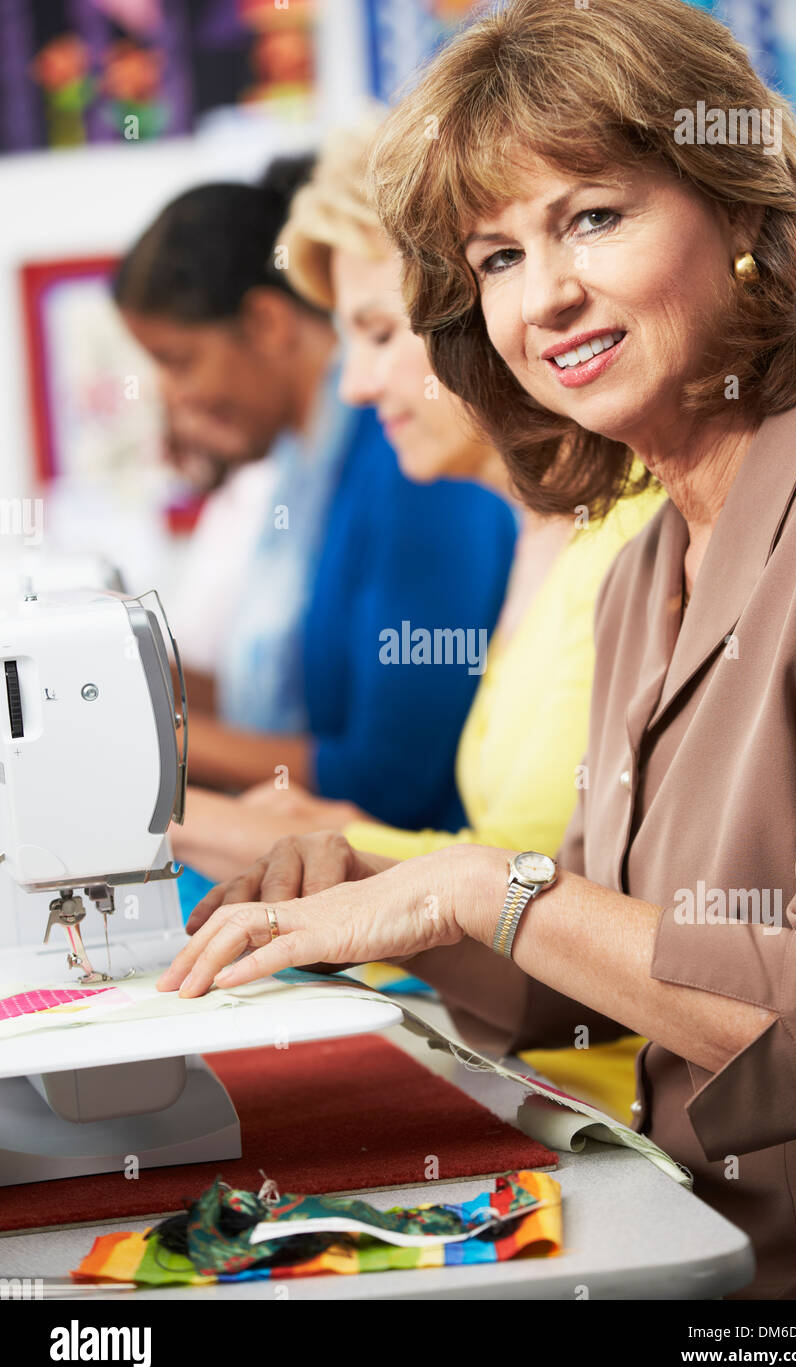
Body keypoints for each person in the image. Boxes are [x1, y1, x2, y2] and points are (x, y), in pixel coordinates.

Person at [155, 0, 796, 1299]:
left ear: (747, 218)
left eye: (592, 215)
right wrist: (375, 894)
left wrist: (487, 885)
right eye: (495, 256)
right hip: (694, 1245)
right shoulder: (648, 554)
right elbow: (602, 985)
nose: (543, 296)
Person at [171, 119, 664, 1121]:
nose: (354, 385)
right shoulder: (542, 541)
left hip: (618, 1104)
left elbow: (615, 921)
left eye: (380, 333)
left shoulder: (638, 541)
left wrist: (173, 812)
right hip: (529, 1067)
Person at [113, 160, 517, 844]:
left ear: (267, 323)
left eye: (179, 359)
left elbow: (389, 775)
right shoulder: (306, 467)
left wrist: (149, 744)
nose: (169, 397)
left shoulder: (408, 457)